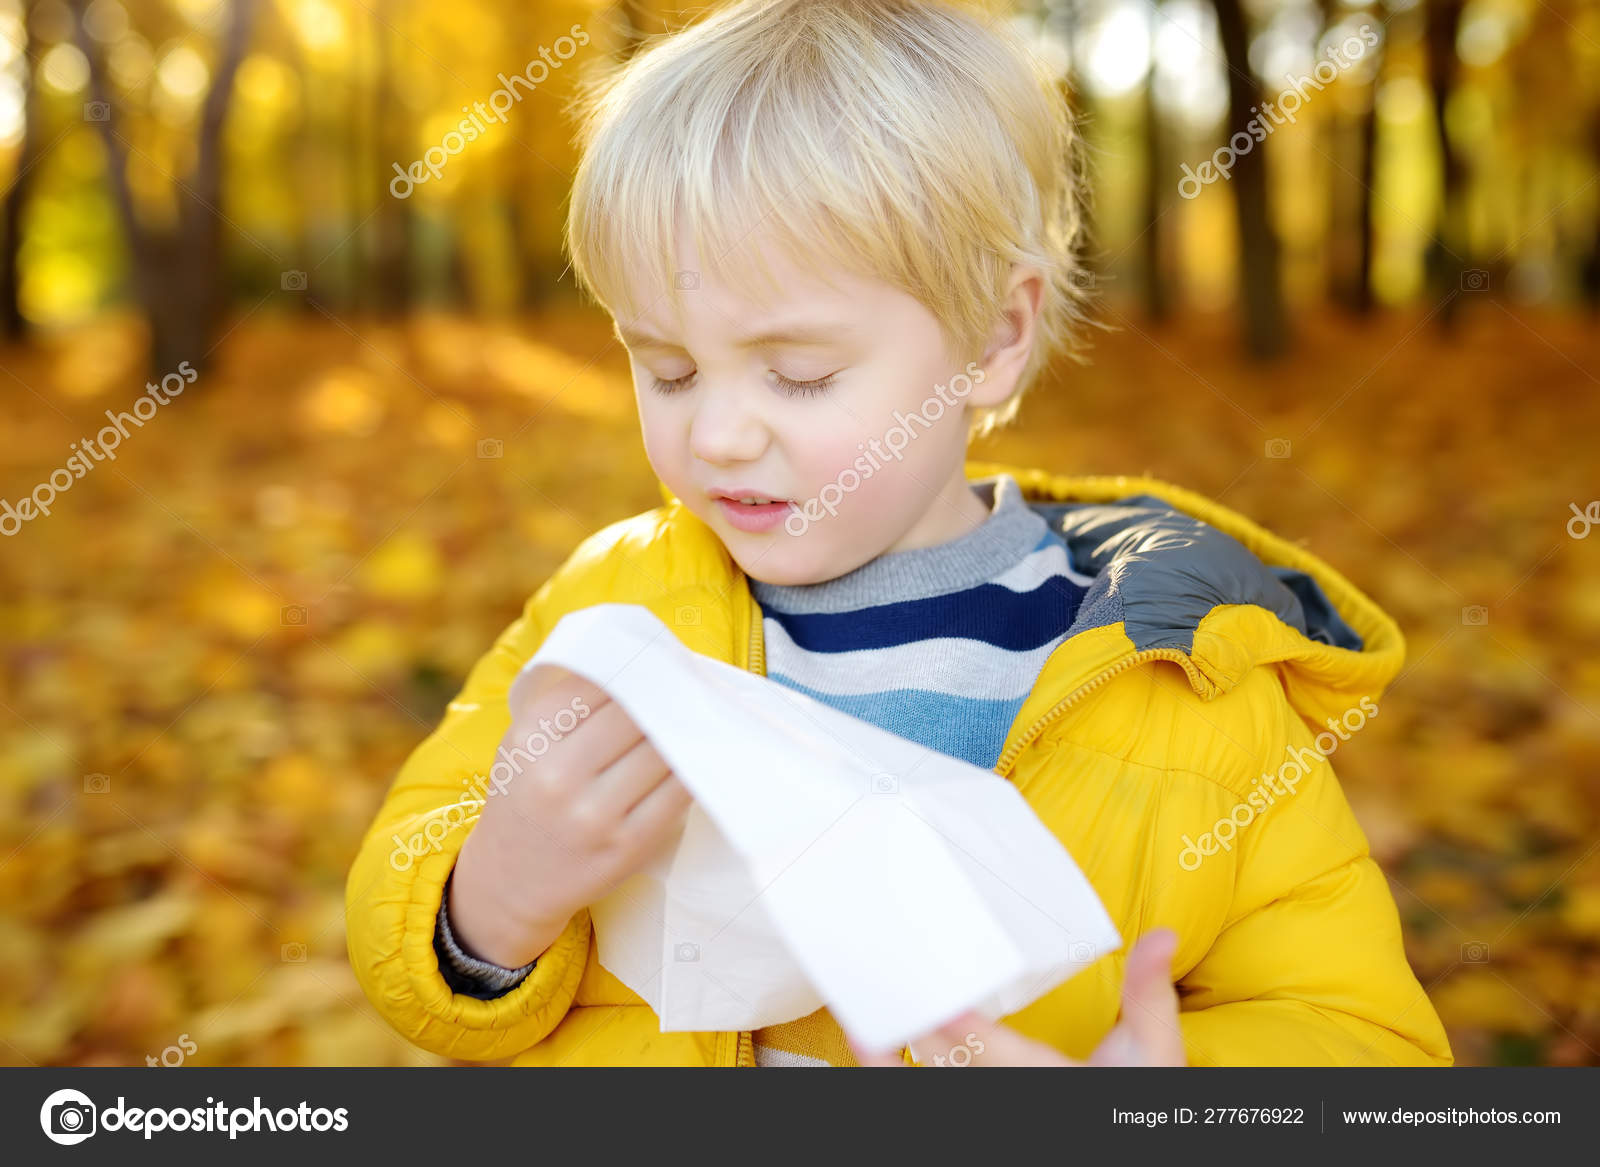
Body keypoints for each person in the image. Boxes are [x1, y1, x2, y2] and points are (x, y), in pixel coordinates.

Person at [345, 0, 1452, 1068]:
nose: (720, 434)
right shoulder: (614, 613)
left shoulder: (1183, 676)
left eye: (800, 374)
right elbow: (415, 929)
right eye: (666, 368)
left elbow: (1360, 1041)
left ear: (993, 334)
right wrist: (493, 901)